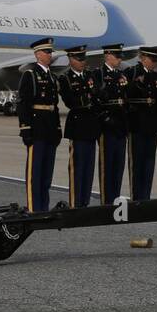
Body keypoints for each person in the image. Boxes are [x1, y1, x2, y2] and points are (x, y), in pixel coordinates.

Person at [18, 37, 62, 212]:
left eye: (50, 52)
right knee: (35, 172)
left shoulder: (52, 76)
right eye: (46, 52)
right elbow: (23, 103)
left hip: (50, 127)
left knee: (46, 172)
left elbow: (54, 105)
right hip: (36, 128)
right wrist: (25, 128)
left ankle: (43, 206)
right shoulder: (30, 75)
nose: (49, 55)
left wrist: (58, 128)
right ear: (37, 54)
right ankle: (34, 207)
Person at [57, 44, 101, 208]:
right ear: (70, 59)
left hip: (92, 126)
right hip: (78, 127)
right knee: (77, 167)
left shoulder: (91, 76)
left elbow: (98, 96)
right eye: (79, 58)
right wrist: (89, 98)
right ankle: (75, 202)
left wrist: (90, 97)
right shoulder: (65, 78)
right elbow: (71, 101)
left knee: (89, 168)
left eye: (84, 58)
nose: (82, 62)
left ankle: (85, 202)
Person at [126, 47, 157, 200]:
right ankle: (136, 197)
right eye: (152, 59)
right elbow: (126, 95)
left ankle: (145, 196)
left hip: (151, 126)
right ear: (143, 58)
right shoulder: (132, 73)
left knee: (149, 163)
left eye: (155, 60)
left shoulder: (156, 77)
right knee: (137, 163)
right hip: (137, 125)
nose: (154, 63)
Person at [96, 44, 130, 205]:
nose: (119, 59)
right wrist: (105, 119)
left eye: (120, 56)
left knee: (118, 166)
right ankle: (106, 200)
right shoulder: (98, 74)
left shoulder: (121, 75)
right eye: (117, 56)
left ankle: (115, 198)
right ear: (108, 55)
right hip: (107, 126)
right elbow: (96, 101)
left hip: (121, 126)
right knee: (107, 167)